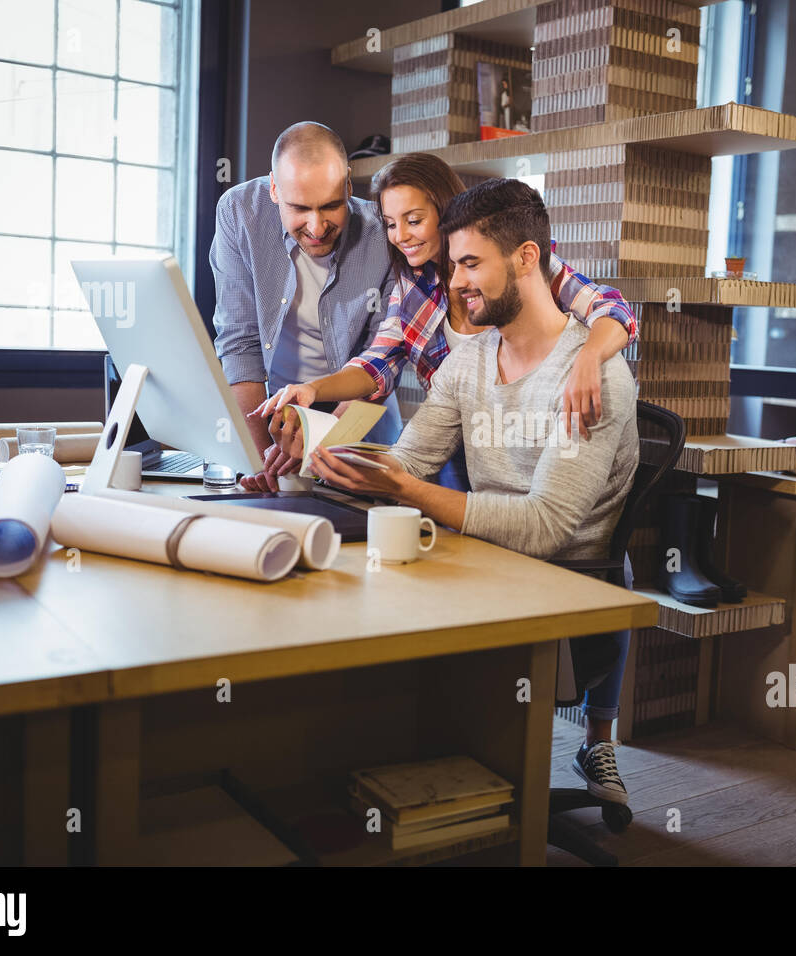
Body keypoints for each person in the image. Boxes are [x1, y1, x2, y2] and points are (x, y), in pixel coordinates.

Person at [306, 178, 639, 805]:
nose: (455, 283)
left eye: (469, 264)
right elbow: (410, 457)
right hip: (484, 553)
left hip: (555, 574)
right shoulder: (470, 359)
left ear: (527, 258)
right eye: (452, 264)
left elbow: (545, 526)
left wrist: (405, 489)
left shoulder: (595, 378)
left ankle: (468, 801)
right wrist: (328, 459)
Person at [255, 151, 637, 491]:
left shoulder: (514, 263)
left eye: (414, 220)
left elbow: (612, 310)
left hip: (528, 444)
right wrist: (312, 392)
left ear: (445, 212)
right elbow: (377, 366)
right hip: (456, 446)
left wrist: (587, 358)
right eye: (390, 223)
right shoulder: (411, 286)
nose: (401, 236)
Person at [209, 121, 401, 492]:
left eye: (331, 206)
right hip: (273, 418)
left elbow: (383, 358)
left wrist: (323, 442)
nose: (317, 226)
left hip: (361, 420)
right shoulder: (239, 213)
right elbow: (240, 344)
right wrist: (265, 459)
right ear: (274, 190)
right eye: (300, 208)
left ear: (348, 185)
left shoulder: (384, 233)